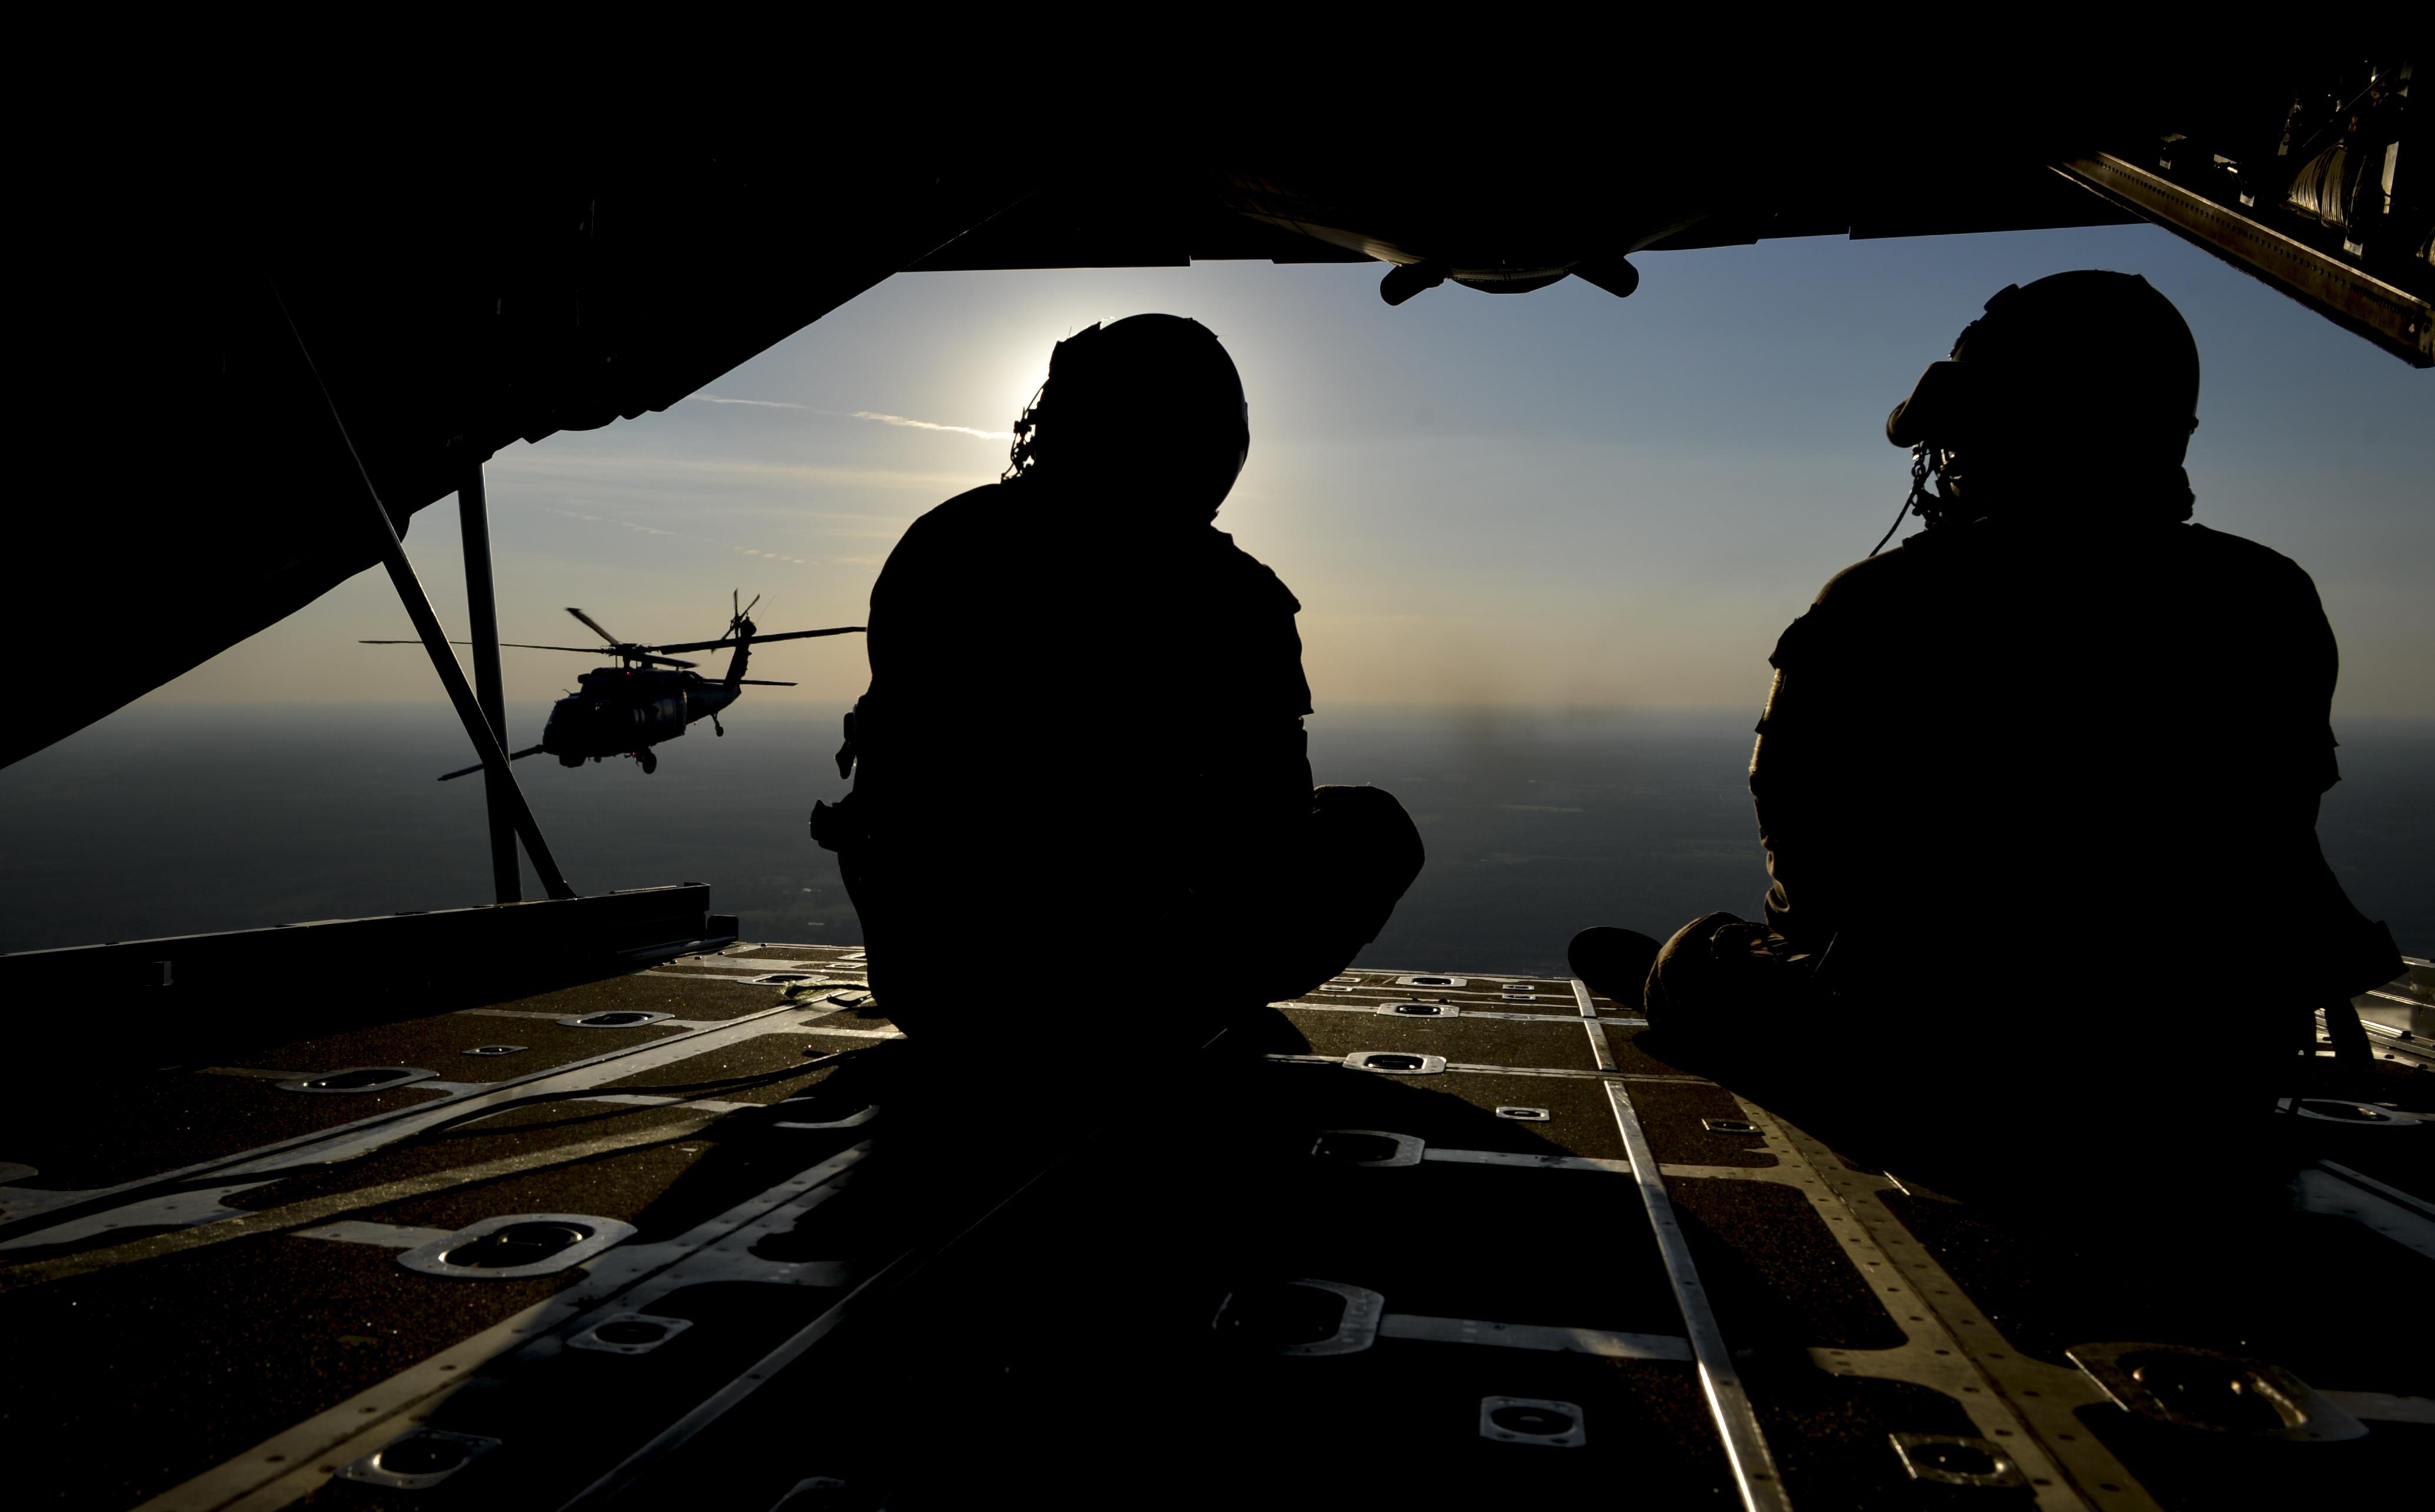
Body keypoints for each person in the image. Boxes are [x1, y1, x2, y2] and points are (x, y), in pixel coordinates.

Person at [1571, 271, 2401, 1177]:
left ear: (1990, 427)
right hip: (2209, 1078)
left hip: (1954, 1084)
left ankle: (1691, 978)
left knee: (1697, 956)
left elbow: (1805, 865)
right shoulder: (2268, 595)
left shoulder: (1883, 603)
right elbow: (2270, 830)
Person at [814, 315, 1423, 1055]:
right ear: (1214, 445)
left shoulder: (942, 541)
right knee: (1370, 826)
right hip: (1130, 1002)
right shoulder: (1228, 593)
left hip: (934, 985)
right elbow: (1272, 819)